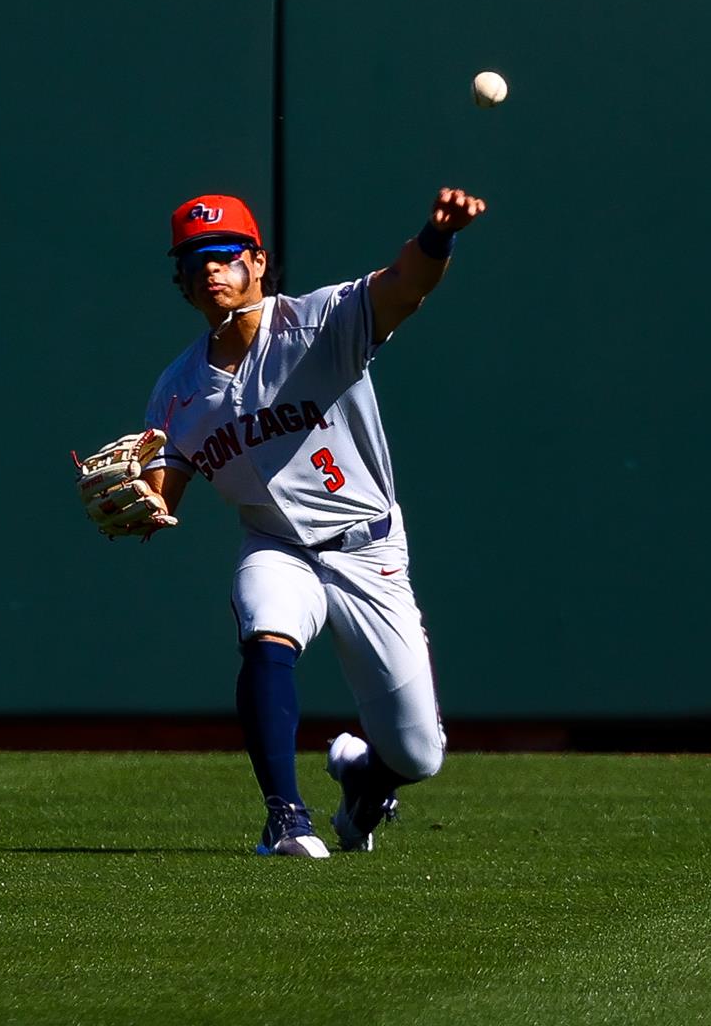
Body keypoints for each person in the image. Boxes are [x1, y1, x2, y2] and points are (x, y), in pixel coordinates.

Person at [134, 187, 488, 858]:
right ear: (180, 284)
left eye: (223, 255)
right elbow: (164, 487)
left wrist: (438, 235)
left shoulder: (319, 321)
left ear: (258, 262)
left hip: (368, 548)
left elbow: (405, 288)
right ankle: (284, 817)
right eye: (193, 261)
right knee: (266, 623)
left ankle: (365, 778)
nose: (210, 270)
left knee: (418, 752)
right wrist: (147, 501)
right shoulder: (174, 387)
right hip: (277, 546)